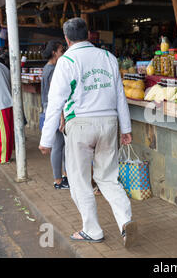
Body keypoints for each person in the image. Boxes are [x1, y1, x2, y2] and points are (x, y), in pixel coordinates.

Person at [39, 18, 136, 246]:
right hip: (109, 122)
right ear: (89, 34)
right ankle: (125, 222)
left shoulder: (67, 60)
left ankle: (92, 230)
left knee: (80, 180)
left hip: (80, 125)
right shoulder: (108, 57)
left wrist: (46, 139)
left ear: (66, 38)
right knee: (109, 178)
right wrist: (127, 128)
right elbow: (120, 95)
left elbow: (55, 103)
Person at [41, 40, 69, 190]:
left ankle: (63, 176)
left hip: (51, 110)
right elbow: (57, 98)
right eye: (61, 51)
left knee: (60, 146)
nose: (63, 53)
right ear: (54, 52)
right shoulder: (52, 70)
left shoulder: (48, 68)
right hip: (55, 112)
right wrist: (61, 118)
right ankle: (58, 180)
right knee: (58, 146)